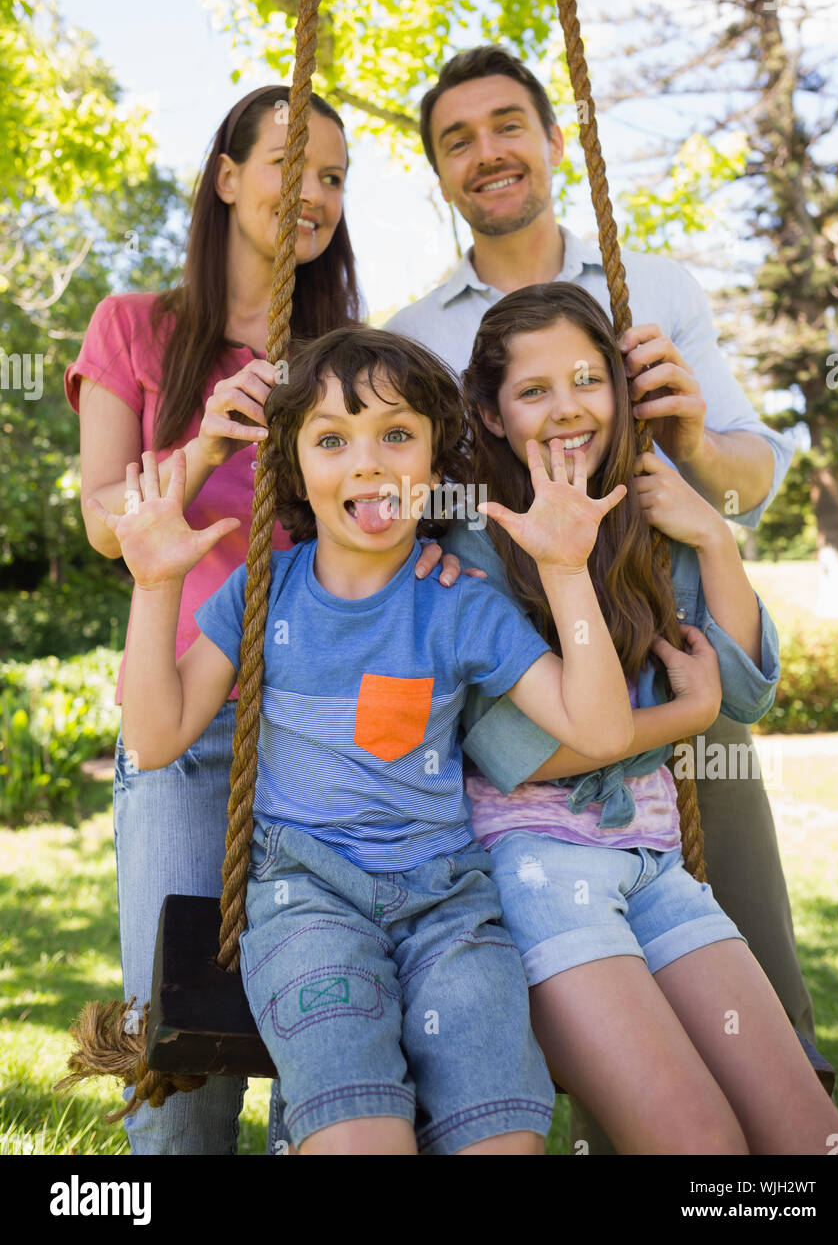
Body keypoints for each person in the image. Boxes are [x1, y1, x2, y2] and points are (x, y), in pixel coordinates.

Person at [86, 324, 636, 1155]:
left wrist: (565, 574)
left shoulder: (460, 603)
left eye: (398, 435)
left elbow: (600, 726)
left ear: (436, 459)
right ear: (296, 466)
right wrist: (155, 585)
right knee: (362, 1135)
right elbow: (157, 739)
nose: (369, 462)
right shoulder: (262, 593)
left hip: (450, 904)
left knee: (502, 1136)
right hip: (305, 899)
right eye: (334, 438)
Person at [386, 47, 816, 1076]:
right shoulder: (411, 333)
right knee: (582, 1019)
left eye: (506, 125)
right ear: (440, 174)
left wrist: (698, 469)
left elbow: (745, 477)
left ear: (549, 139)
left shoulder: (649, 285)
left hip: (652, 636)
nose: (486, 152)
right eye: (457, 139)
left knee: (758, 1015)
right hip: (520, 692)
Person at [64, 86, 466, 1155]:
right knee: (187, 1051)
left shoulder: (344, 352)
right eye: (293, 164)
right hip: (191, 729)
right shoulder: (137, 326)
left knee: (337, 1044)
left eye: (335, 176)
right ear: (225, 173)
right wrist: (202, 448)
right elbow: (107, 516)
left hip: (334, 731)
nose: (317, 193)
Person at [440, 282, 838, 1153]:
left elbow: (739, 690)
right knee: (699, 1146)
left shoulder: (646, 524)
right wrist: (679, 717)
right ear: (495, 414)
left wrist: (715, 538)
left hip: (654, 865)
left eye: (589, 380)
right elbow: (526, 754)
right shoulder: (474, 546)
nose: (567, 409)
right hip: (537, 874)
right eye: (534, 391)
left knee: (813, 1141)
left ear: (622, 395)